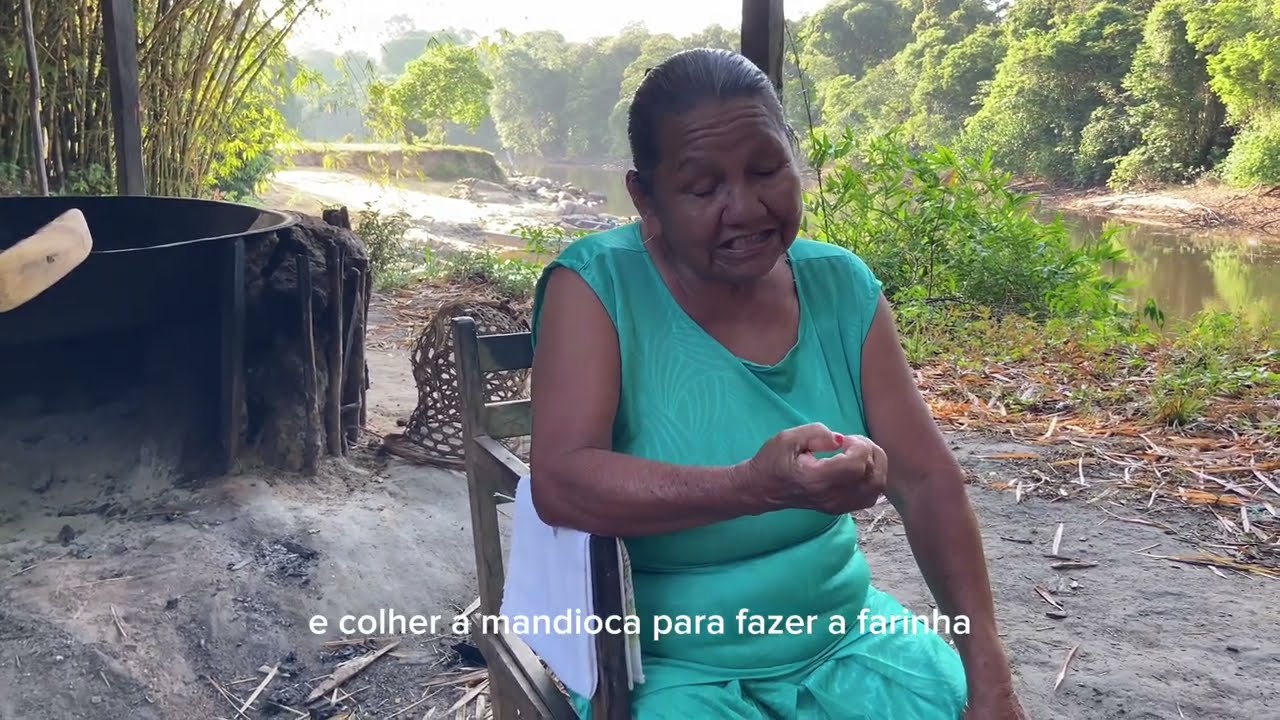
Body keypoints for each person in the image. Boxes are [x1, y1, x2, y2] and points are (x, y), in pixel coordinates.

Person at [527, 47, 1025, 720]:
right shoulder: (596, 286)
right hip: (674, 664)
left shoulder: (840, 285)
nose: (746, 209)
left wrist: (991, 681)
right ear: (646, 198)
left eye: (767, 170)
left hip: (849, 638)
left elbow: (928, 480)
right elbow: (562, 481)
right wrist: (754, 487)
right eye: (704, 188)